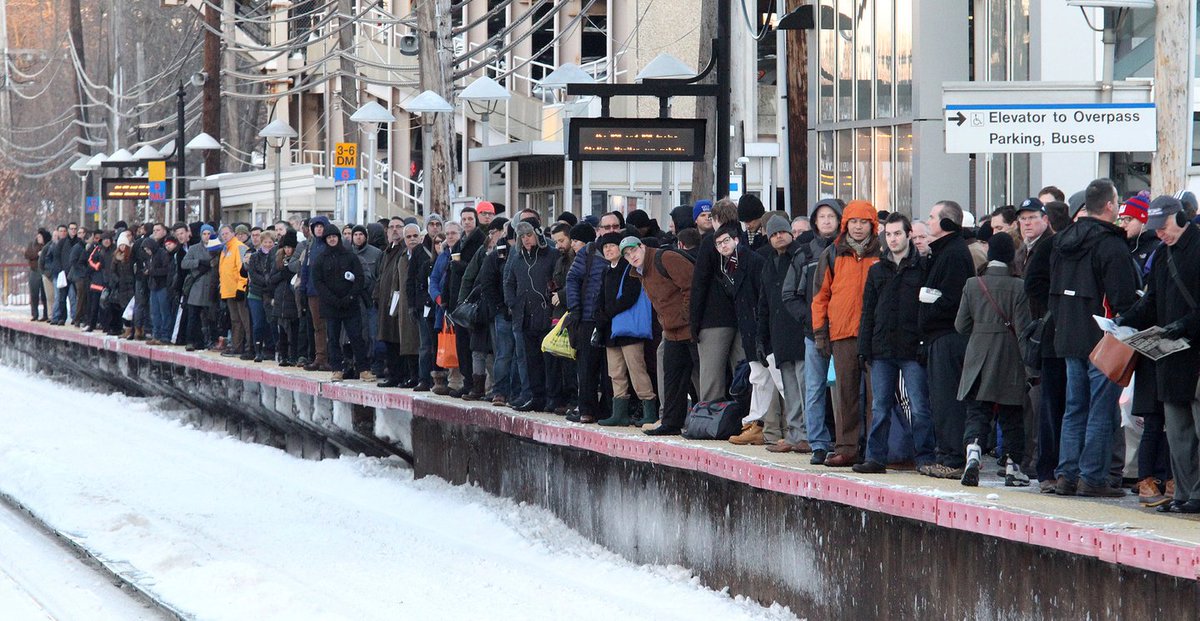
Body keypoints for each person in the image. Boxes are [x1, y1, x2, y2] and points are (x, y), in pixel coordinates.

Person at [1049, 178, 1138, 497]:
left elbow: (1052, 292)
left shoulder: (1062, 241)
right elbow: (1123, 297)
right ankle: (1093, 479)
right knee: (1101, 410)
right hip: (1103, 338)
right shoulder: (1111, 243)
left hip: (1069, 334)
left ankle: (1066, 475)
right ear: (1111, 205)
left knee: (1074, 407)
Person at [1119, 195, 1200, 513]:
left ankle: (1196, 493)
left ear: (1180, 219)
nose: (1159, 233)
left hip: (1194, 351)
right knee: (1178, 431)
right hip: (1171, 353)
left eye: (1163, 226)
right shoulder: (1163, 254)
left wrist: (1184, 324)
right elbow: (1152, 301)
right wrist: (1125, 320)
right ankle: (1183, 492)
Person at [852, 213, 936, 474]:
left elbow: (929, 307)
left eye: (897, 233)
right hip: (882, 348)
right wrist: (863, 348)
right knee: (880, 406)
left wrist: (925, 342)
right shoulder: (877, 269)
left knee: (920, 405)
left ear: (909, 234)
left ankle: (925, 456)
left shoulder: (923, 267)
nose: (893, 239)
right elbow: (868, 311)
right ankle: (876, 457)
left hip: (912, 347)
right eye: (888, 235)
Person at [954, 234, 1032, 487]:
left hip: (978, 355)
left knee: (977, 410)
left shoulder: (973, 284)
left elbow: (960, 325)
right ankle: (1012, 466)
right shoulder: (1019, 286)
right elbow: (1023, 329)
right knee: (1011, 414)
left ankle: (973, 453)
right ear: (1011, 256)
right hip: (1009, 356)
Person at [811, 201, 880, 467]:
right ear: (846, 224)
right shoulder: (831, 254)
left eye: (864, 222)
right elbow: (820, 297)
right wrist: (820, 333)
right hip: (842, 333)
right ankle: (847, 447)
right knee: (846, 394)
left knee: (878, 397)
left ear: (872, 225)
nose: (858, 227)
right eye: (854, 222)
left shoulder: (882, 252)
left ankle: (876, 449)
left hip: (875, 334)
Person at [779, 199, 842, 464]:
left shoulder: (848, 252)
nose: (827, 221)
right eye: (822, 217)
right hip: (812, 333)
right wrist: (809, 319)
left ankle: (846, 440)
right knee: (813, 389)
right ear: (815, 222)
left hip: (844, 331)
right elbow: (789, 293)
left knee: (846, 390)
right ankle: (818, 442)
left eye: (831, 216)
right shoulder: (804, 253)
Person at [918, 200, 976, 478]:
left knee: (947, 400)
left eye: (932, 217)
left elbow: (952, 299)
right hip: (941, 335)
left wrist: (927, 306)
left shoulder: (953, 254)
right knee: (941, 399)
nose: (928, 222)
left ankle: (952, 458)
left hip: (948, 336)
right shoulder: (943, 252)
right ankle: (949, 453)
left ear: (946, 224)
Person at [623, 236, 696, 435]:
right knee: (672, 378)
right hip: (672, 331)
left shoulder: (665, 258)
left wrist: (686, 315)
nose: (632, 256)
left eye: (634, 251)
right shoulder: (640, 272)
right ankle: (671, 423)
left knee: (700, 378)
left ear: (642, 246)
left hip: (691, 327)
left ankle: (703, 421)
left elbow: (691, 285)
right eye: (627, 255)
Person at [758, 215, 810, 453]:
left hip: (799, 329)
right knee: (789, 387)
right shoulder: (769, 262)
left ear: (790, 233)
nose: (779, 236)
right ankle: (795, 433)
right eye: (774, 234)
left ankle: (809, 434)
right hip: (779, 332)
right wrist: (763, 337)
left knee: (805, 384)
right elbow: (764, 303)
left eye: (782, 232)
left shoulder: (800, 256)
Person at [593, 236, 658, 425]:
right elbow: (601, 295)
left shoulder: (629, 269)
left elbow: (630, 296)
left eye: (612, 245)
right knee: (616, 372)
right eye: (605, 247)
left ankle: (649, 410)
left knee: (637, 369)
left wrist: (607, 314)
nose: (608, 250)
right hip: (610, 330)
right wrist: (600, 315)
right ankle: (619, 413)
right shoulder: (606, 271)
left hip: (628, 329)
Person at [503, 221, 559, 412]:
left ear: (537, 234)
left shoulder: (550, 254)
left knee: (549, 361)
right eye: (522, 236)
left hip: (545, 314)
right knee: (531, 360)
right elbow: (509, 281)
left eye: (529, 235)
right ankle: (537, 397)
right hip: (524, 315)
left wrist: (551, 299)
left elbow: (558, 279)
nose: (526, 239)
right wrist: (513, 303)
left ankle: (552, 397)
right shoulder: (518, 258)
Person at [313, 226, 373, 382]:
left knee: (356, 337)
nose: (332, 239)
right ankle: (336, 369)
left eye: (334, 236)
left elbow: (359, 278)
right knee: (333, 339)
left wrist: (350, 297)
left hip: (350, 304)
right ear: (325, 240)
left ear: (339, 238)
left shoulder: (350, 256)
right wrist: (332, 299)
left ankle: (363, 369)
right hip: (330, 305)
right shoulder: (320, 258)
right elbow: (318, 282)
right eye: (329, 237)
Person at [565, 223, 608, 423]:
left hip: (612, 318)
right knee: (587, 366)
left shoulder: (625, 251)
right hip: (588, 317)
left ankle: (608, 409)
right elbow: (572, 278)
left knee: (610, 369)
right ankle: (587, 409)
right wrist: (575, 309)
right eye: (606, 226)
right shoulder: (589, 251)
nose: (609, 229)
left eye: (614, 226)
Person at [379, 221, 423, 387]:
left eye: (415, 236)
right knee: (404, 341)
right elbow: (392, 281)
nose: (412, 239)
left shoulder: (420, 254)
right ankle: (406, 376)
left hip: (417, 305)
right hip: (400, 304)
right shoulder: (398, 256)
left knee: (416, 343)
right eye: (409, 236)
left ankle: (416, 377)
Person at [300, 216, 333, 371]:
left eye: (321, 226)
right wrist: (302, 289)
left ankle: (330, 357)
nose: (319, 229)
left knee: (330, 326)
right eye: (316, 227)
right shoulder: (311, 247)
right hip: (312, 292)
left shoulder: (330, 245)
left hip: (328, 292)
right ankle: (320, 357)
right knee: (317, 327)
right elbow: (305, 269)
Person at [217, 225, 253, 359]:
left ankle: (250, 347)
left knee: (245, 320)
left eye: (227, 233)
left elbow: (243, 269)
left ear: (233, 234)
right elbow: (223, 271)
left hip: (239, 290)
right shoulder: (225, 249)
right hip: (228, 290)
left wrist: (241, 287)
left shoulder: (238, 247)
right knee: (235, 320)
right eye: (223, 234)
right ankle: (237, 346)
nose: (224, 236)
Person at [271, 231, 301, 366]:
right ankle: (283, 356)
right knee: (282, 330)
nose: (288, 250)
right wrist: (282, 274)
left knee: (294, 331)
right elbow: (271, 279)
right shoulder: (278, 260)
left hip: (292, 300)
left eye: (290, 248)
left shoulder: (296, 261)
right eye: (286, 247)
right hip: (280, 300)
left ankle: (293, 356)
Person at [245, 230, 276, 362]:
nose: (268, 244)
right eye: (265, 242)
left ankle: (270, 349)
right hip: (256, 293)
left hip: (270, 294)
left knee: (270, 322)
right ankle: (257, 349)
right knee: (258, 323)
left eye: (270, 242)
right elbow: (253, 274)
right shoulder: (254, 257)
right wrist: (266, 280)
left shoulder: (276, 256)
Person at [143, 236, 172, 345]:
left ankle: (165, 335)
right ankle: (156, 334)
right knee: (154, 312)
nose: (147, 252)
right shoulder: (149, 257)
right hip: (153, 286)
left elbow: (166, 270)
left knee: (164, 311)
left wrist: (151, 272)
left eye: (147, 249)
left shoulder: (162, 254)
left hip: (162, 286)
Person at [25, 230, 49, 321]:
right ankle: (34, 314)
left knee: (44, 294)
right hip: (34, 270)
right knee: (34, 293)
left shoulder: (47, 245)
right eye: (38, 236)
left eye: (41, 237)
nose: (39, 238)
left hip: (44, 271)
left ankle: (46, 314)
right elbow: (27, 254)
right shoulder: (32, 244)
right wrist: (37, 254)